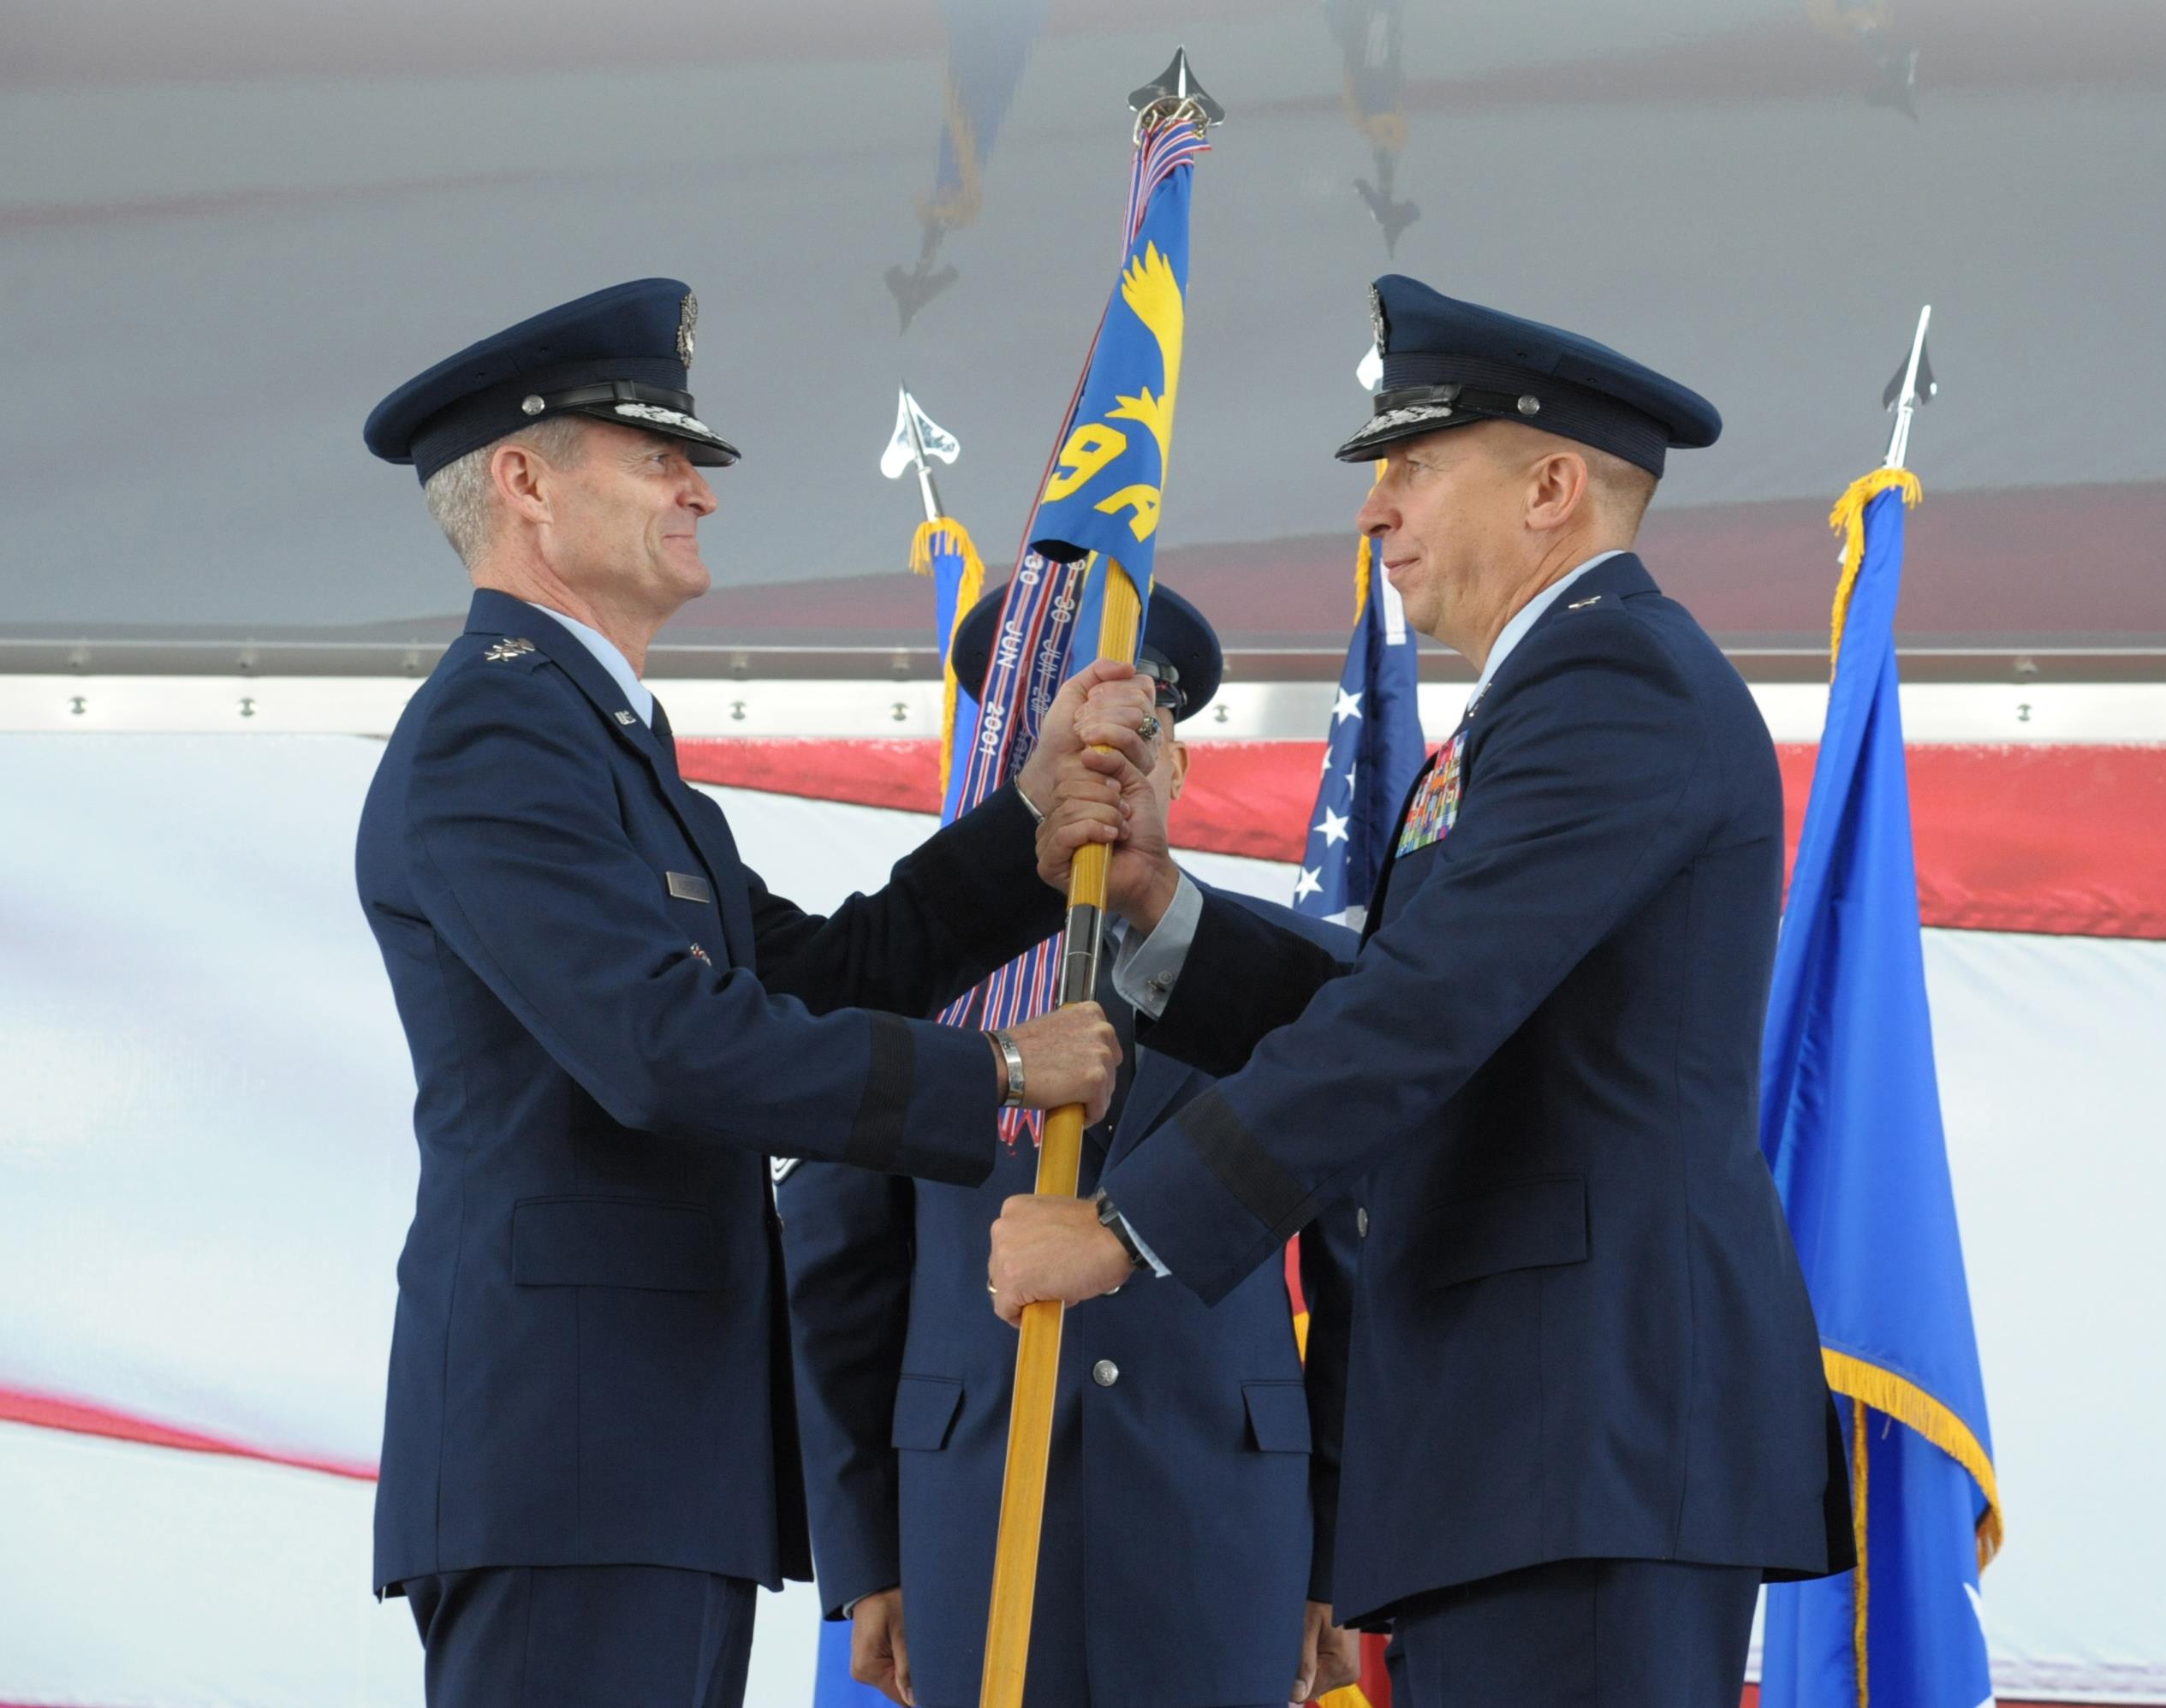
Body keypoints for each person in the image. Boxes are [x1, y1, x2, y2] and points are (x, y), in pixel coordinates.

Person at [991, 275, 1855, 1705]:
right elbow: (1408, 992)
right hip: (1529, 1439)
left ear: (1553, 489)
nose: (1372, 511)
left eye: (1410, 466)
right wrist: (1160, 904)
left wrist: (1127, 1230)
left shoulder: (1610, 689)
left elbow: (1426, 1013)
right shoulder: (1565, 689)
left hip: (1586, 1430)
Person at [354, 277, 1151, 1707]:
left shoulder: (594, 736)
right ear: (527, 483)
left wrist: (1027, 835)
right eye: (658, 456)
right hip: (576, 1459)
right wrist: (1002, 1078)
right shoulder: (497, 734)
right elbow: (661, 1047)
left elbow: (809, 970)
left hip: (645, 1453)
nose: (699, 494)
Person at [778, 585, 1365, 1708]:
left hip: (1228, 1520)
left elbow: (1362, 1272)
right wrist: (864, 1555)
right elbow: (837, 1262)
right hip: (969, 1516)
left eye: (1138, 742)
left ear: (1183, 768)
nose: (1109, 775)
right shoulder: (909, 967)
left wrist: (1337, 1552)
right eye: (1072, 747)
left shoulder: (1300, 980)